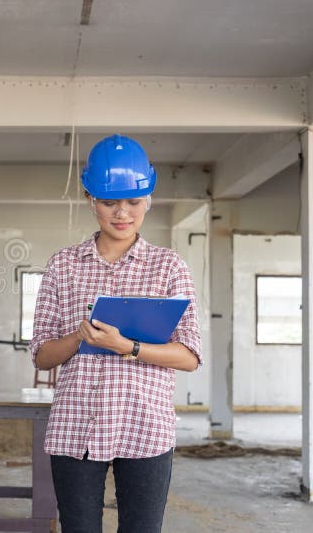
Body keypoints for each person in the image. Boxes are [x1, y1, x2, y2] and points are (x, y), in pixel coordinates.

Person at [30, 134, 202, 533]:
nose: (122, 213)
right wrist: (80, 338)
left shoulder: (168, 267)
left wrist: (129, 347)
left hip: (145, 424)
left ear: (149, 200)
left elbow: (190, 356)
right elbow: (41, 355)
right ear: (90, 200)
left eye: (133, 203)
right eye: (109, 203)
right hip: (77, 424)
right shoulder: (65, 265)